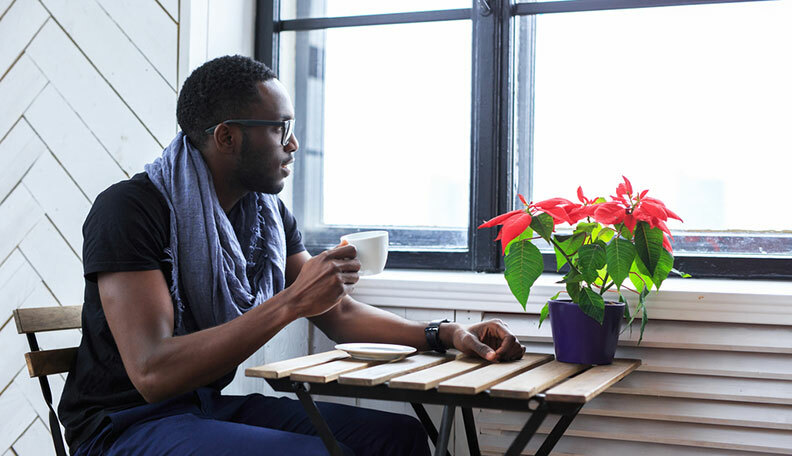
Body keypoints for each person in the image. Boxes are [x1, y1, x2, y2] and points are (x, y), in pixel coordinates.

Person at [58, 55, 526, 456]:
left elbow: (337, 311)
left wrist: (446, 333)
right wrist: (290, 302)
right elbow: (153, 372)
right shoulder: (131, 209)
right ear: (226, 137)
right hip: (123, 426)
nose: (293, 144)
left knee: (398, 436)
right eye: (281, 128)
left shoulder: (266, 216)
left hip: (204, 405)